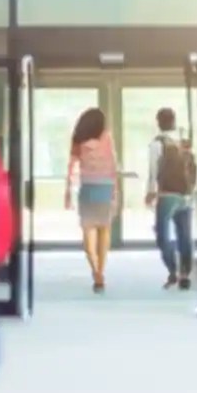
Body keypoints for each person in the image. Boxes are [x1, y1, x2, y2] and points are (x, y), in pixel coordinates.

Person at [64, 108, 118, 293]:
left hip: (88, 186)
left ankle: (94, 270)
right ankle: (101, 271)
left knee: (88, 229)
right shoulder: (107, 138)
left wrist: (68, 191)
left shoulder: (78, 139)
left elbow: (71, 166)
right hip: (105, 185)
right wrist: (115, 190)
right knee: (104, 228)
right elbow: (113, 164)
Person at [147, 107, 196, 290]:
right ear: (174, 121)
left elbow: (153, 171)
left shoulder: (157, 144)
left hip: (167, 194)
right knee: (184, 235)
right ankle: (185, 274)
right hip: (186, 196)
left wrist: (150, 191)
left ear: (158, 122)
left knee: (162, 235)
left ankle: (173, 270)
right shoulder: (184, 143)